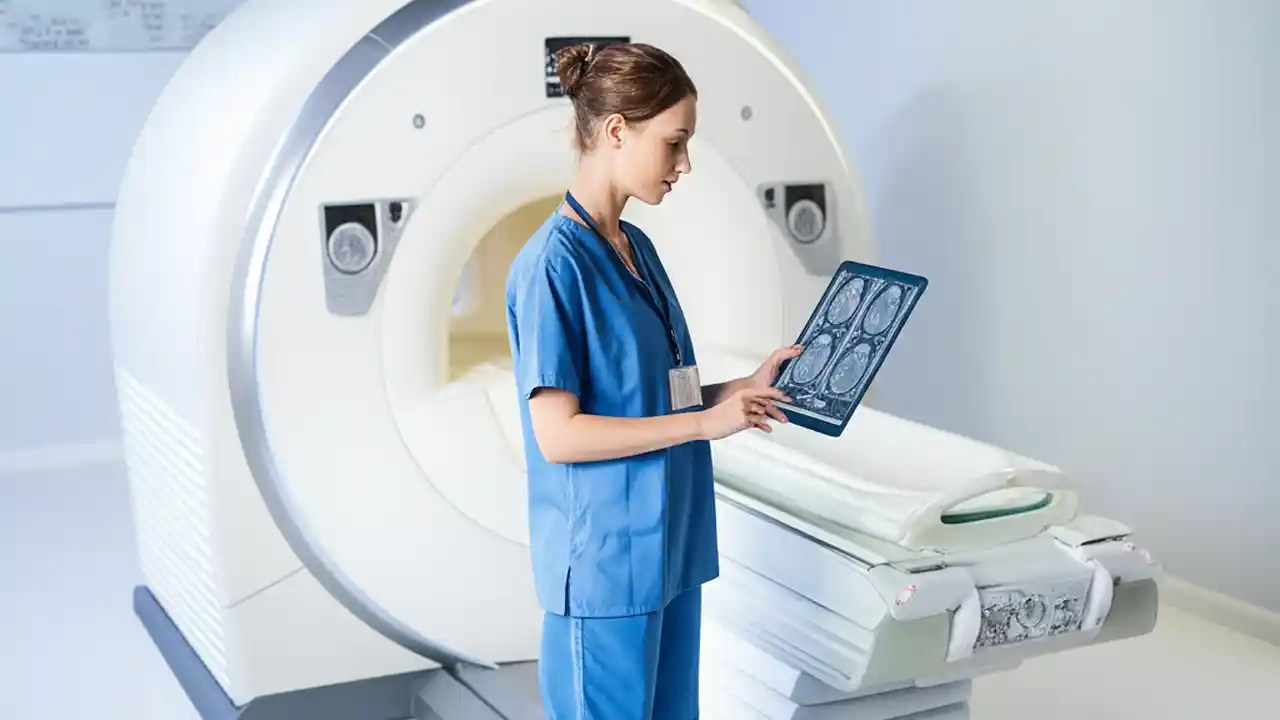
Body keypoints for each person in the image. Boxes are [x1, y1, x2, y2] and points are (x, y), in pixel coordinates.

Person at [504, 41, 803, 720]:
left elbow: (660, 396)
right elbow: (559, 435)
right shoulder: (554, 266)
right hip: (606, 565)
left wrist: (740, 390)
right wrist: (706, 424)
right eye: (675, 142)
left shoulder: (636, 247)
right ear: (617, 131)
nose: (684, 163)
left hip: (668, 551)